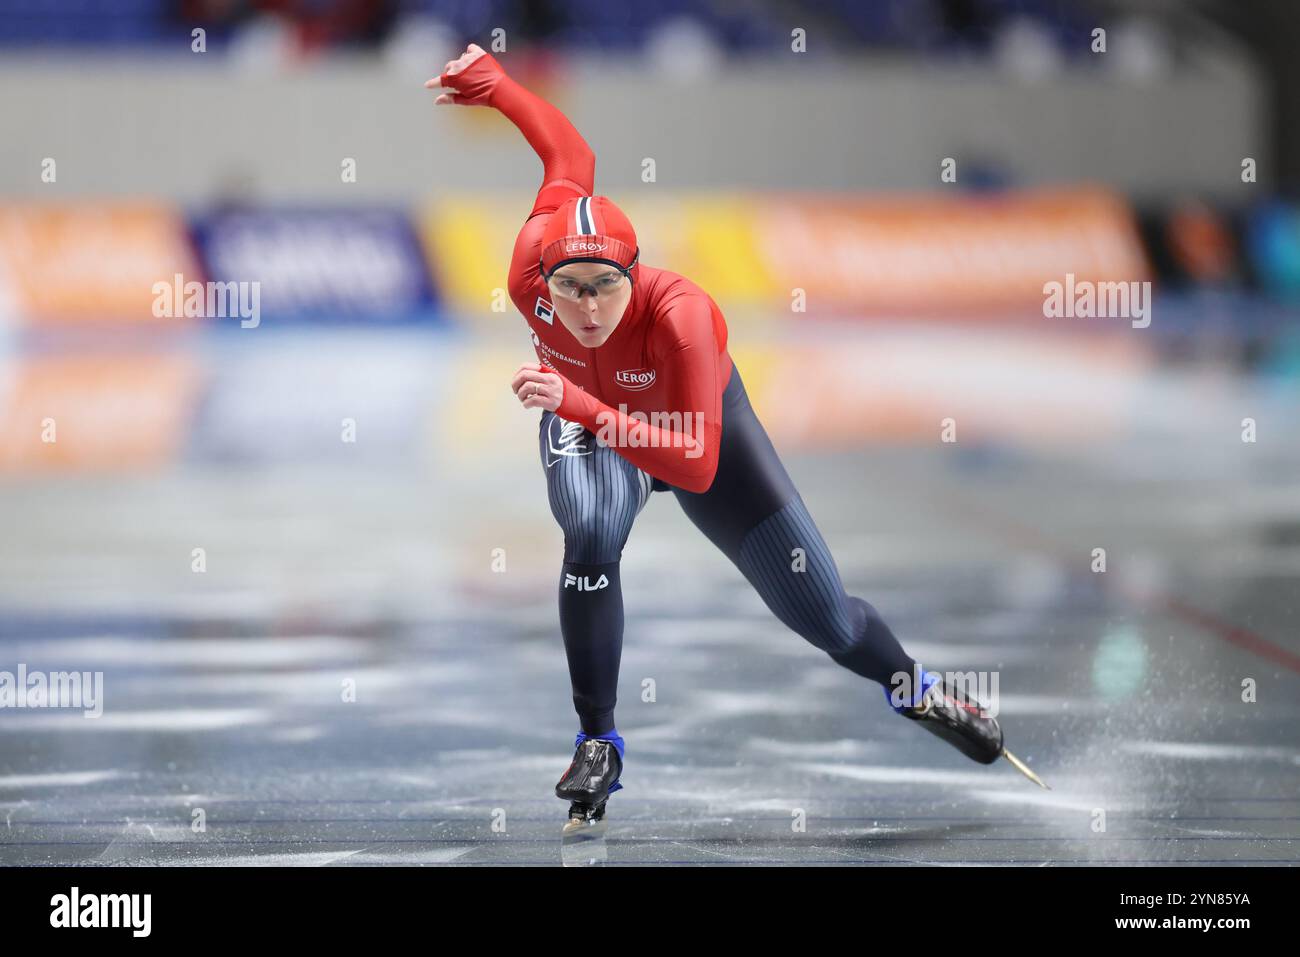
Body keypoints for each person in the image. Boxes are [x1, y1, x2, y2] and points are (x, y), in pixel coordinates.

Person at [426, 44, 1043, 827]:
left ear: (636, 274)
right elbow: (570, 154)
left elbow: (696, 460)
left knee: (830, 621)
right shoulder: (526, 265)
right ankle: (598, 741)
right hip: (591, 423)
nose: (586, 308)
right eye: (567, 289)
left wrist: (579, 406)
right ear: (539, 278)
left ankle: (916, 689)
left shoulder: (682, 315)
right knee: (590, 526)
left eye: (606, 286)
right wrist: (499, 85)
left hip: (684, 427)